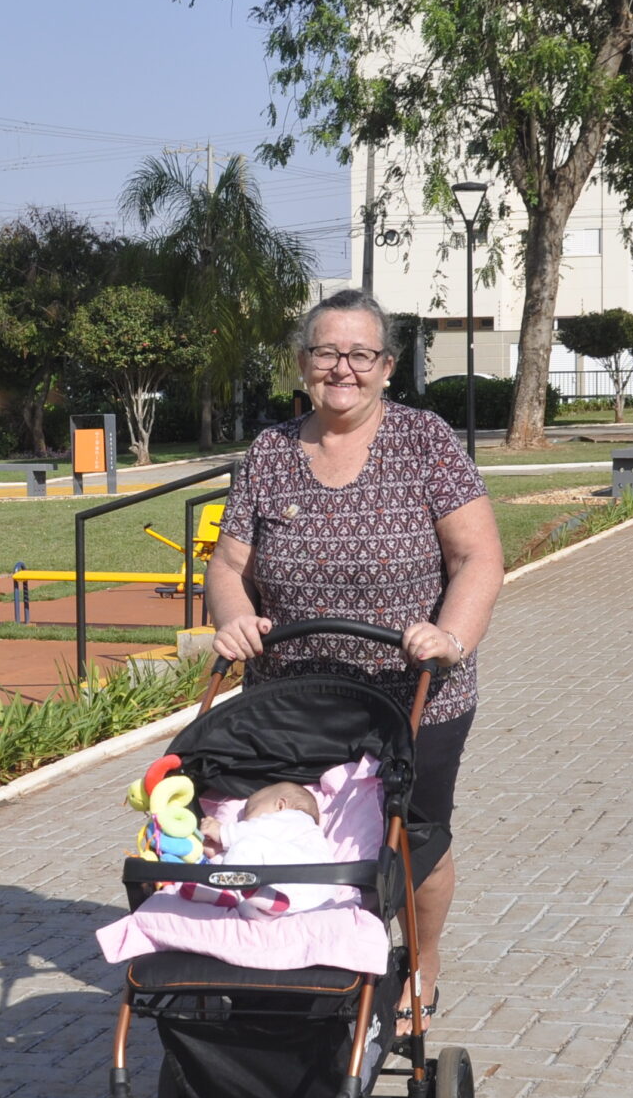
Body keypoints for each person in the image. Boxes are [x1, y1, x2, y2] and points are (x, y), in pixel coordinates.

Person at [203, 288, 504, 1027]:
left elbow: (478, 558)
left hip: (414, 695)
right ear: (304, 363)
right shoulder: (270, 453)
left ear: (387, 367)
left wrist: (451, 638)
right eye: (327, 353)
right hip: (292, 702)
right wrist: (237, 620)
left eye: (360, 354)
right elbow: (226, 567)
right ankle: (296, 954)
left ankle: (420, 964)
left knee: (414, 841)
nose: (344, 368)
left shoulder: (425, 441)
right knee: (288, 831)